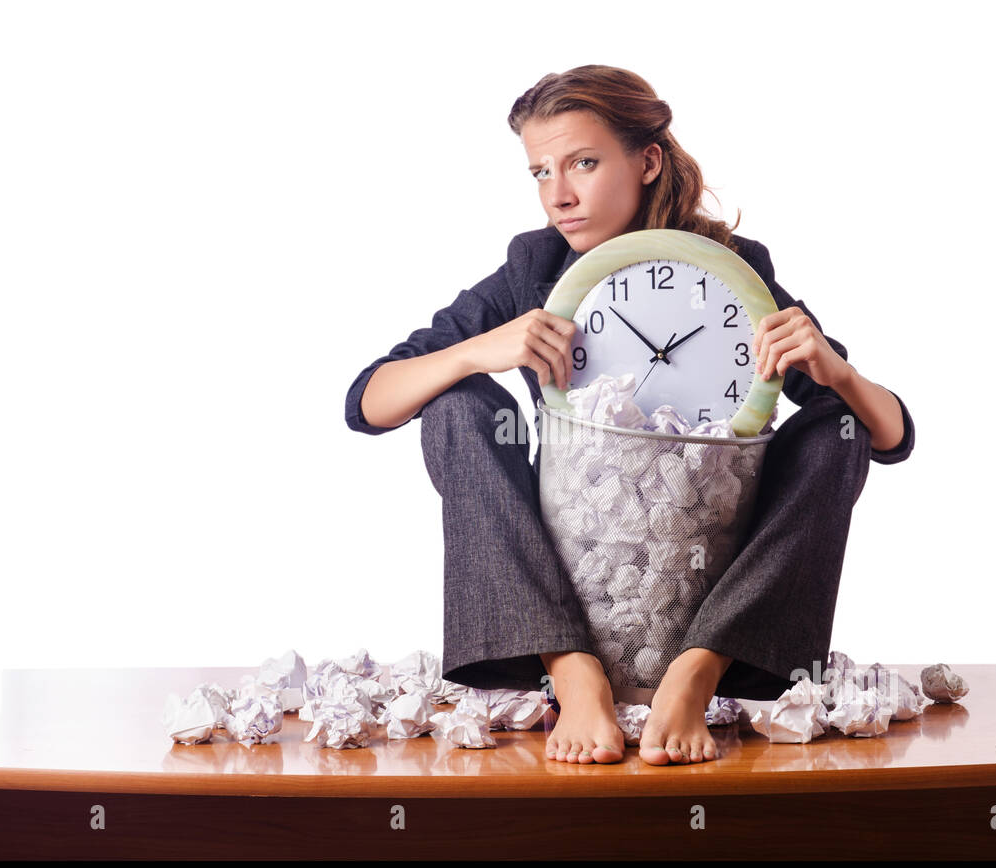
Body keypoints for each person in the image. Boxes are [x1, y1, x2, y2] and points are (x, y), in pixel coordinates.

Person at [344, 65, 915, 767]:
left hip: (714, 564)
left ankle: (698, 670)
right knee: (458, 407)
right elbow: (369, 399)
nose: (559, 194)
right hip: (573, 570)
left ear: (646, 161)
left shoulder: (732, 268)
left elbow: (890, 436)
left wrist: (837, 370)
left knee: (839, 430)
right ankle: (570, 666)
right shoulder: (535, 267)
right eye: (540, 171)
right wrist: (476, 351)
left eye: (583, 162)